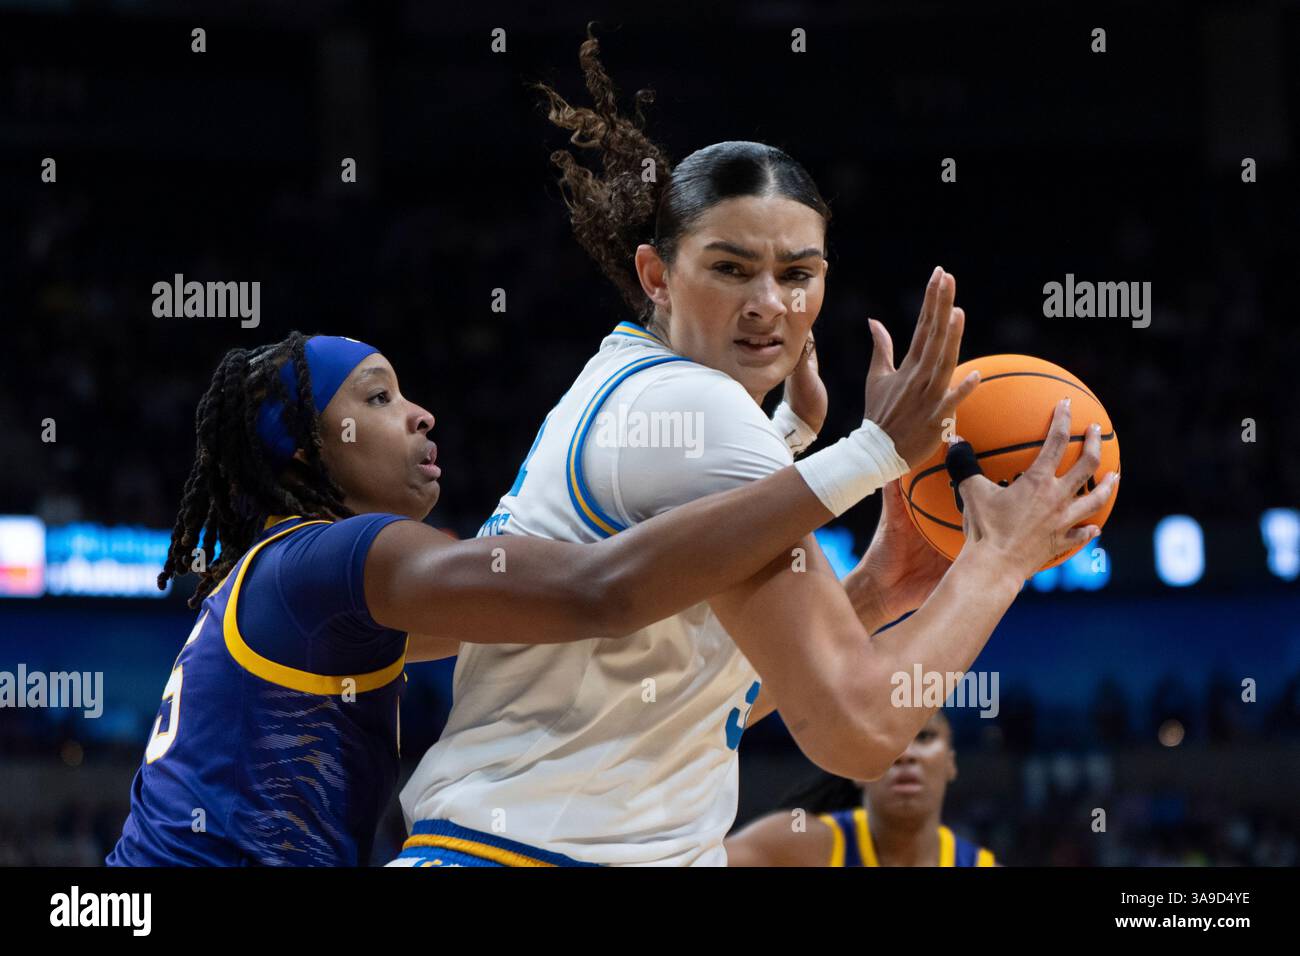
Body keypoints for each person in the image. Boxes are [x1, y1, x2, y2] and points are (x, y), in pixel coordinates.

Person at [394, 27, 1116, 867]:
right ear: (658, 276)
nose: (769, 304)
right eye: (731, 269)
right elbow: (858, 733)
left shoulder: (628, 376)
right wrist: (998, 560)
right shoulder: (700, 414)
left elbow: (702, 683)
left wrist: (883, 584)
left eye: (797, 274)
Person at [107, 329, 934, 866]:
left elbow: (583, 638)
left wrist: (776, 454)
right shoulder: (333, 559)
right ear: (304, 454)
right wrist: (869, 454)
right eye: (377, 397)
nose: (421, 414)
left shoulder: (302, 582)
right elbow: (600, 591)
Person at [725, 710, 998, 866]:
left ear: (950, 762)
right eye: (886, 739)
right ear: (856, 767)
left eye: (925, 736)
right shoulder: (794, 844)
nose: (905, 754)